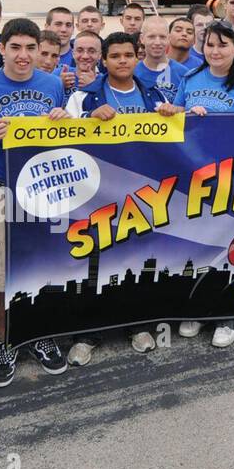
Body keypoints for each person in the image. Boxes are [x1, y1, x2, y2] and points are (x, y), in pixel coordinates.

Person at [0, 18, 71, 385]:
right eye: (16, 48)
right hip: (0, 190)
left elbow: (66, 139)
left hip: (44, 189)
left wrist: (64, 121)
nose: (23, 56)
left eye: (30, 48)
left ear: (39, 51)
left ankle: (39, 335)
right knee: (1, 271)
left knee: (44, 265)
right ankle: (7, 338)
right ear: (2, 49)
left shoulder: (53, 84)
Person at [65, 32, 182, 364]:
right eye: (114, 56)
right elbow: (61, 139)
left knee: (138, 263)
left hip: (142, 195)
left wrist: (173, 115)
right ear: (104, 60)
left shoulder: (152, 95)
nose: (122, 61)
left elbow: (173, 138)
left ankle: (137, 326)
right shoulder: (83, 97)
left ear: (136, 57)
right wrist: (87, 119)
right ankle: (88, 334)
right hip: (96, 196)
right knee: (94, 266)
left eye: (128, 55)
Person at [172, 20, 234, 348]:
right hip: (197, 179)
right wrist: (181, 113)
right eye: (210, 44)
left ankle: (231, 313)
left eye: (223, 45)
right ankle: (199, 307)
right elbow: (173, 121)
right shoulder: (190, 79)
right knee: (199, 245)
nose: (215, 51)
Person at [136, 16, 189, 103]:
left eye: (162, 37)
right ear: (142, 39)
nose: (157, 42)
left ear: (169, 38)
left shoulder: (183, 74)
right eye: (151, 37)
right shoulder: (133, 74)